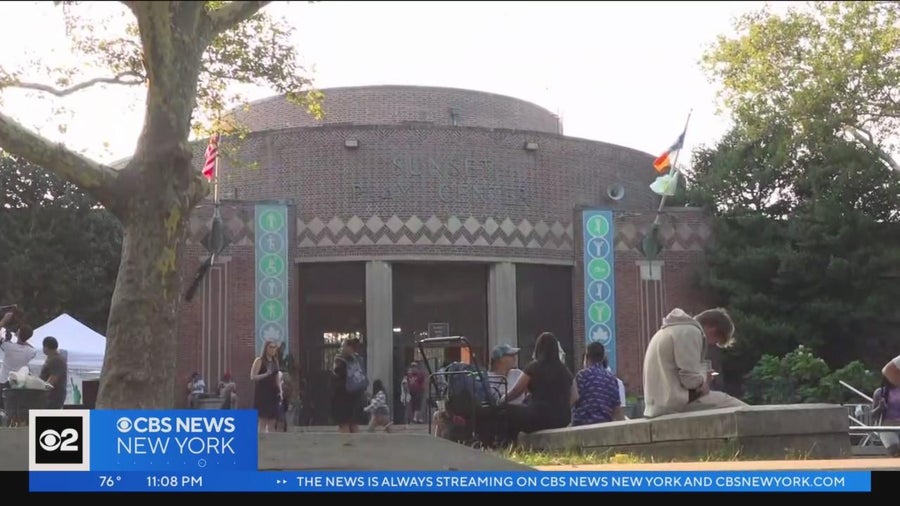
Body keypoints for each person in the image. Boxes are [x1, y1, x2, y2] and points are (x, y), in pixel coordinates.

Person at [643, 308, 747, 418]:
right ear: (713, 330)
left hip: (657, 404)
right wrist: (704, 382)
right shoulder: (690, 332)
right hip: (674, 403)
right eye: (715, 341)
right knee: (740, 408)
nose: (710, 344)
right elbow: (689, 380)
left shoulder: (668, 330)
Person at [501, 332, 574, 440]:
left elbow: (517, 390)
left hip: (539, 416)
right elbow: (575, 396)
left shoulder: (534, 367)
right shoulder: (565, 370)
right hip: (562, 419)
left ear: (538, 349)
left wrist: (502, 400)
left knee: (506, 412)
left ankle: (508, 445)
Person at [571, 342, 625, 426]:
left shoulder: (581, 376)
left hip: (582, 427)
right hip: (604, 425)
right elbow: (617, 410)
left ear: (587, 357)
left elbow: (573, 399)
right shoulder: (612, 379)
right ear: (603, 357)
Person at [331, 337, 367, 433]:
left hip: (343, 395)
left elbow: (337, 373)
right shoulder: (359, 359)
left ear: (349, 347)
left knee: (344, 424)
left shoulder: (341, 359)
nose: (341, 348)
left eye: (343, 346)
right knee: (354, 424)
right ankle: (357, 446)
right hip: (357, 394)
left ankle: (346, 446)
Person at [0, 321, 37, 399]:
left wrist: (5, 319)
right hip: (19, 384)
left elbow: (2, 343)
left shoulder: (8, 346)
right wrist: (23, 339)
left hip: (4, 381)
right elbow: (32, 348)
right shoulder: (31, 351)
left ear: (18, 332)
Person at [250, 340, 281, 433]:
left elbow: (277, 377)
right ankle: (261, 441)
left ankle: (271, 443)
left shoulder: (275, 361)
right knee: (262, 420)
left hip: (273, 393)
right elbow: (252, 377)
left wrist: (280, 391)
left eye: (274, 347)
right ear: (266, 348)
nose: (272, 349)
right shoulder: (259, 360)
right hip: (262, 393)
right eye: (270, 347)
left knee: (272, 420)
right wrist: (266, 374)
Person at [872, 378, 900, 457]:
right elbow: (872, 415)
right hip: (887, 427)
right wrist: (880, 407)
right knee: (895, 453)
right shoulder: (880, 392)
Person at [39, 336, 67, 409]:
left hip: (53, 397)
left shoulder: (56, 360)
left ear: (46, 347)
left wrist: (40, 393)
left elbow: (52, 380)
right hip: (51, 396)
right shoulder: (52, 358)